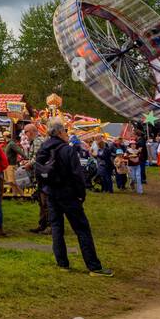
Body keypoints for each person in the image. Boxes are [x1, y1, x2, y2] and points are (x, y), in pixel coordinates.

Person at [34, 118, 111, 276]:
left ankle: (62, 263)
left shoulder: (43, 148)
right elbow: (77, 175)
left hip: (51, 193)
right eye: (66, 131)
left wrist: (45, 189)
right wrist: (81, 195)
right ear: (61, 132)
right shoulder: (67, 150)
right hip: (68, 194)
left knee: (56, 228)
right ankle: (94, 266)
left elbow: (38, 170)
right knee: (82, 229)